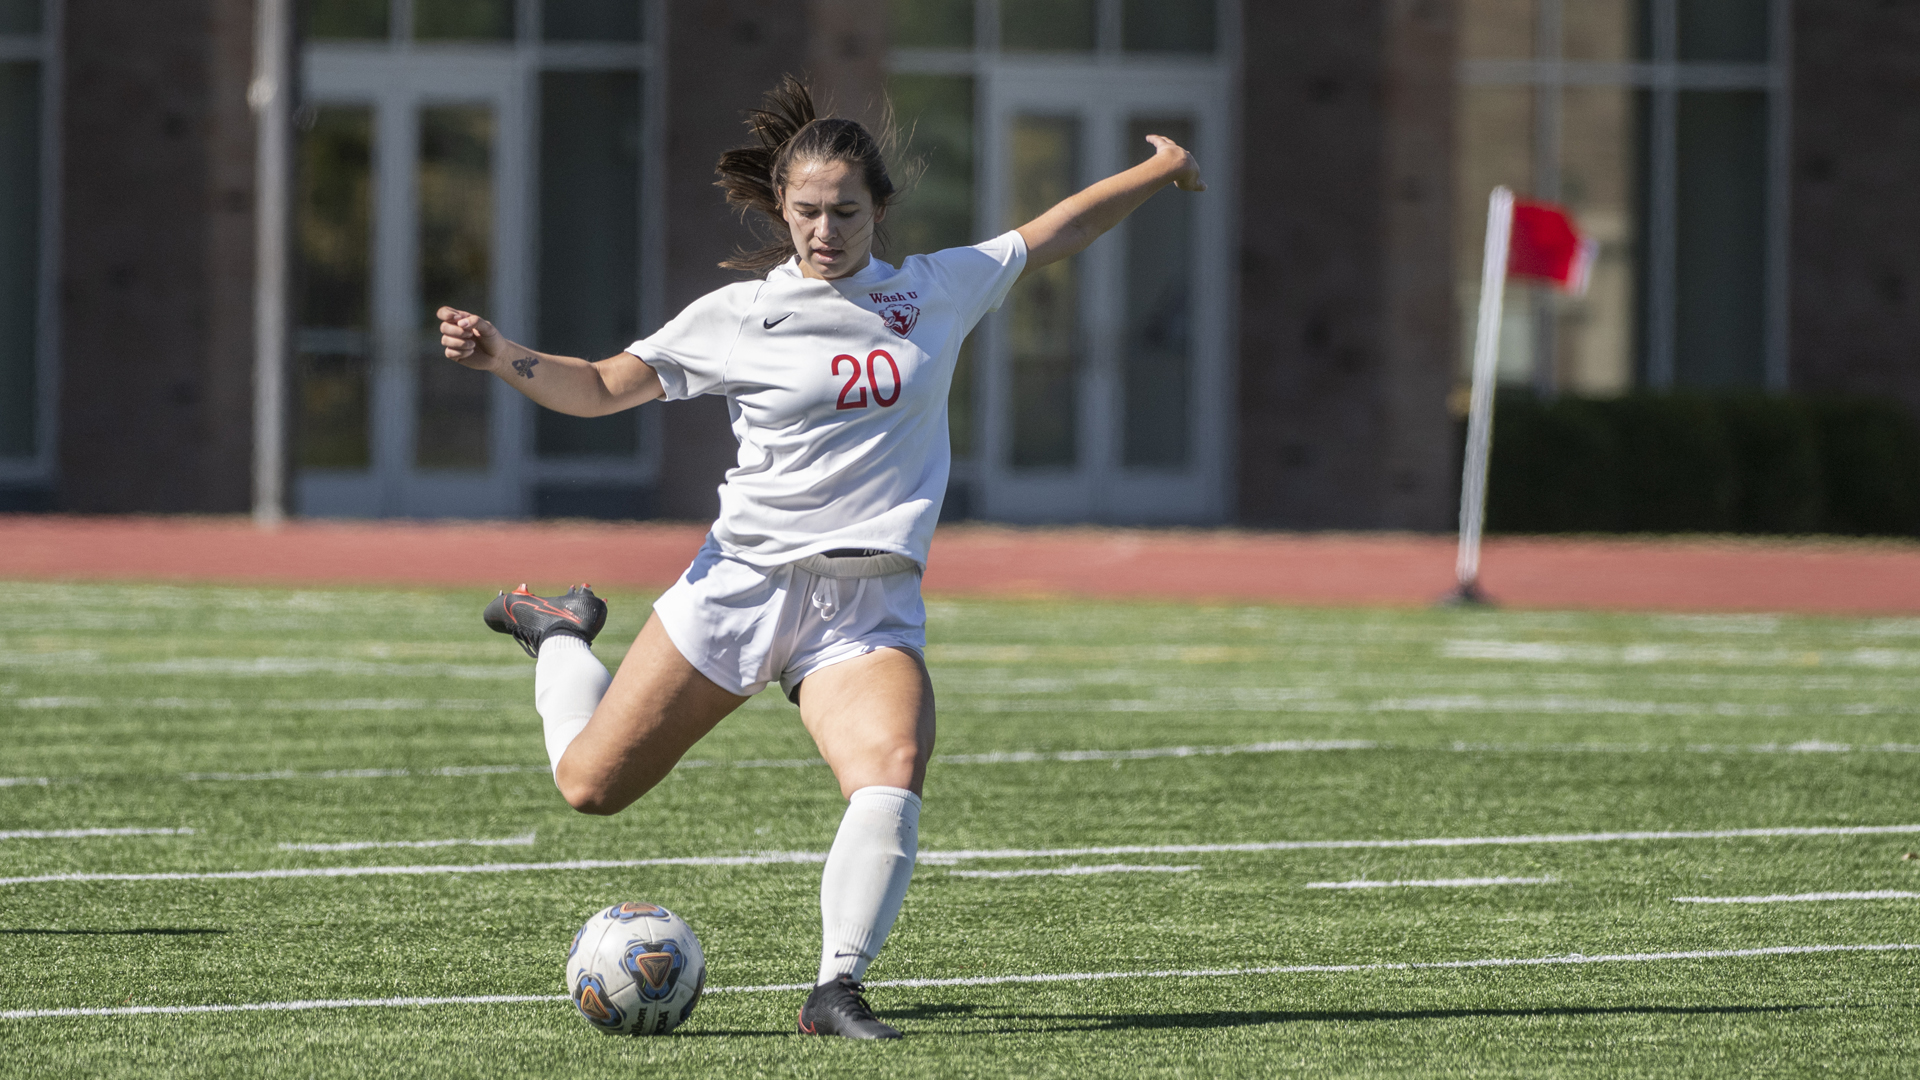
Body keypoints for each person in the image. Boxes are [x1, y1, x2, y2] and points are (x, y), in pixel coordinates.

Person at [437, 76, 1204, 1040]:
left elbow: (1057, 231)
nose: (826, 230)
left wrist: (1158, 168)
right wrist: (503, 355)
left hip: (868, 606)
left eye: (846, 211)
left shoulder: (935, 288)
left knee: (891, 764)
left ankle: (835, 987)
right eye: (806, 212)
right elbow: (596, 389)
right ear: (781, 209)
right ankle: (555, 636)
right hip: (742, 588)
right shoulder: (737, 315)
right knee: (591, 787)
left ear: (878, 210)